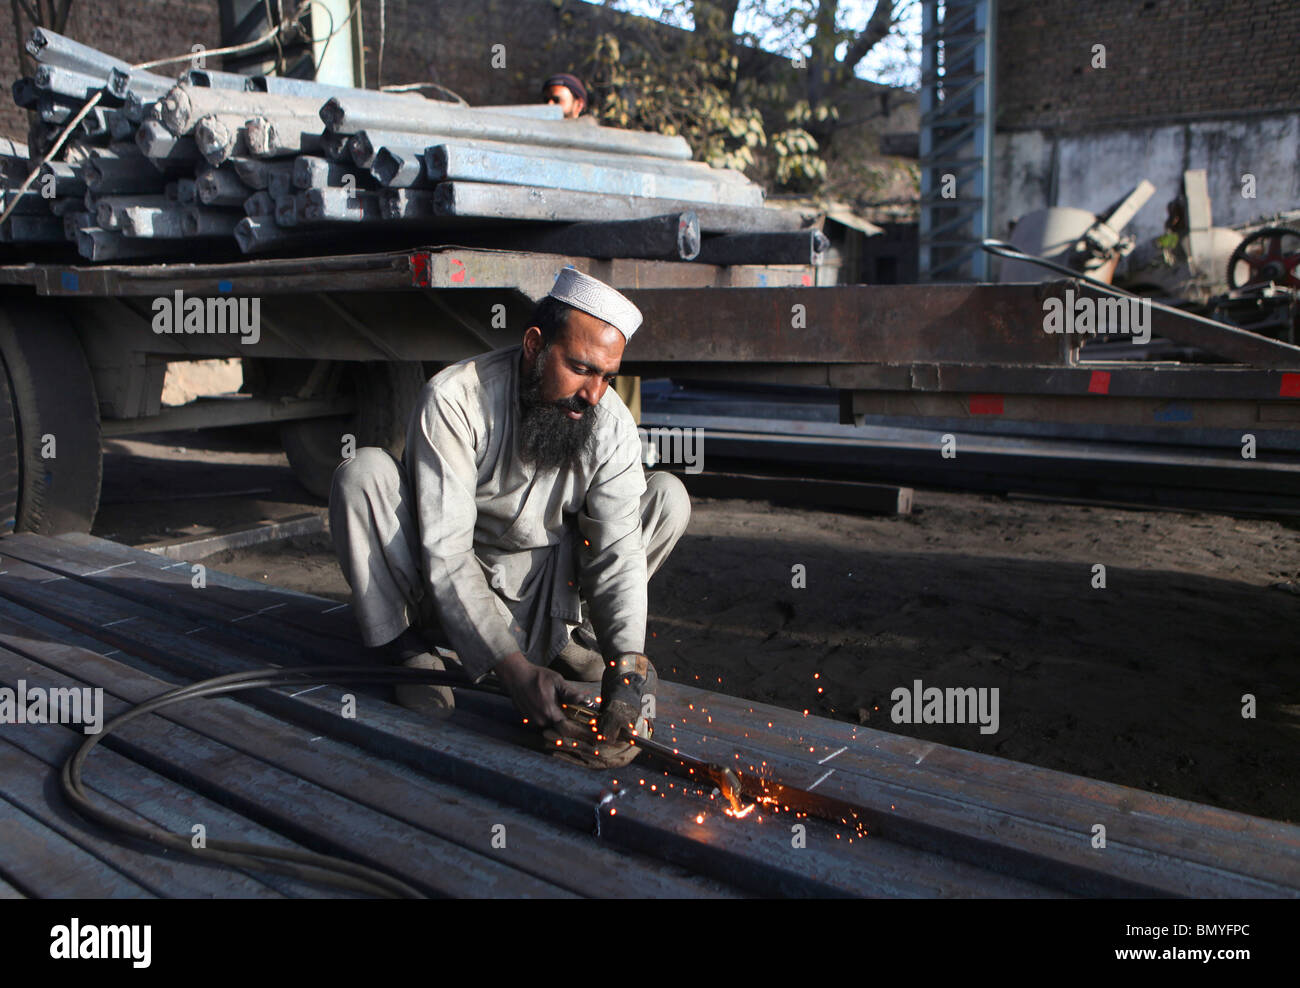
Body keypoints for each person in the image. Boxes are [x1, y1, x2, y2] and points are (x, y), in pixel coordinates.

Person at [330, 267, 689, 764]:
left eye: (608, 377)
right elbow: (447, 552)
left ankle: (575, 642)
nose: (594, 394)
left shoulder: (609, 423)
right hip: (448, 590)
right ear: (535, 344)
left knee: (668, 496)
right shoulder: (455, 398)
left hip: (549, 591)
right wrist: (513, 671)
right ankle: (407, 651)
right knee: (362, 474)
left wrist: (626, 669)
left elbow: (619, 550)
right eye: (582, 369)